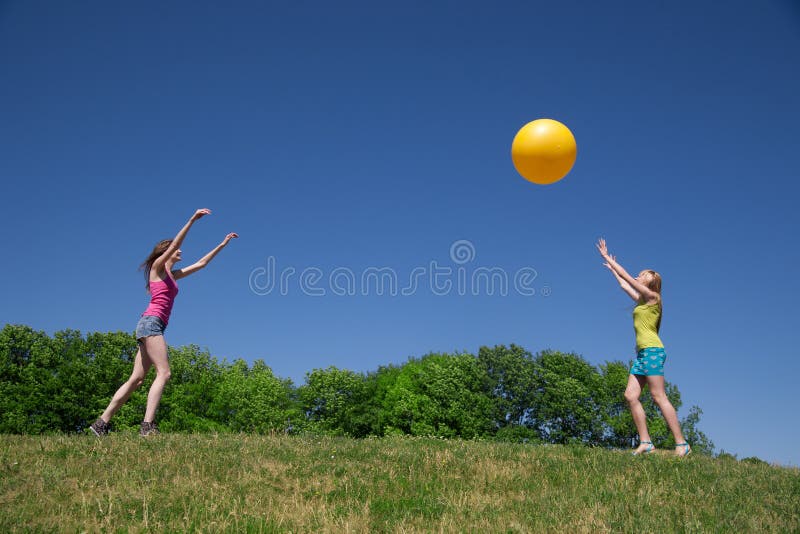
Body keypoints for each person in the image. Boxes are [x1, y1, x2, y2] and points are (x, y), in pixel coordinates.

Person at [90, 208, 238, 436]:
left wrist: (223, 244)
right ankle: (147, 426)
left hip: (148, 325)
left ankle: (101, 424)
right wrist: (191, 221)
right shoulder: (157, 269)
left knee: (137, 379)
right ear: (166, 252)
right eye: (175, 249)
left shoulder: (171, 275)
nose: (180, 251)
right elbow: (173, 246)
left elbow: (200, 264)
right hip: (152, 324)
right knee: (164, 373)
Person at [596, 238, 691, 457]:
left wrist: (607, 257)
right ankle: (646, 442)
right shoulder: (641, 301)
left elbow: (628, 278)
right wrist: (612, 269)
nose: (639, 276)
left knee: (659, 397)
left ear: (651, 283)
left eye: (643, 275)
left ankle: (681, 444)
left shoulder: (653, 297)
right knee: (630, 395)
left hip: (653, 351)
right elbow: (624, 283)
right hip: (641, 354)